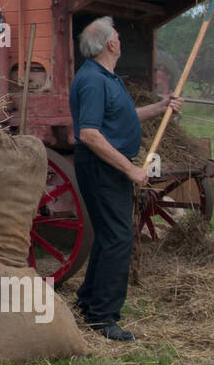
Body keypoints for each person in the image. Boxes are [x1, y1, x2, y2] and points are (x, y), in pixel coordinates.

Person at [69, 17, 183, 341]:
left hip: (108, 166)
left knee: (110, 235)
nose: (120, 39)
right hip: (101, 167)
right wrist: (130, 169)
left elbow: (126, 116)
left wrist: (161, 107)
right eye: (117, 35)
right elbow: (90, 134)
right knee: (119, 237)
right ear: (111, 44)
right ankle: (103, 318)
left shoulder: (106, 77)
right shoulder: (92, 80)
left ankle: (89, 300)